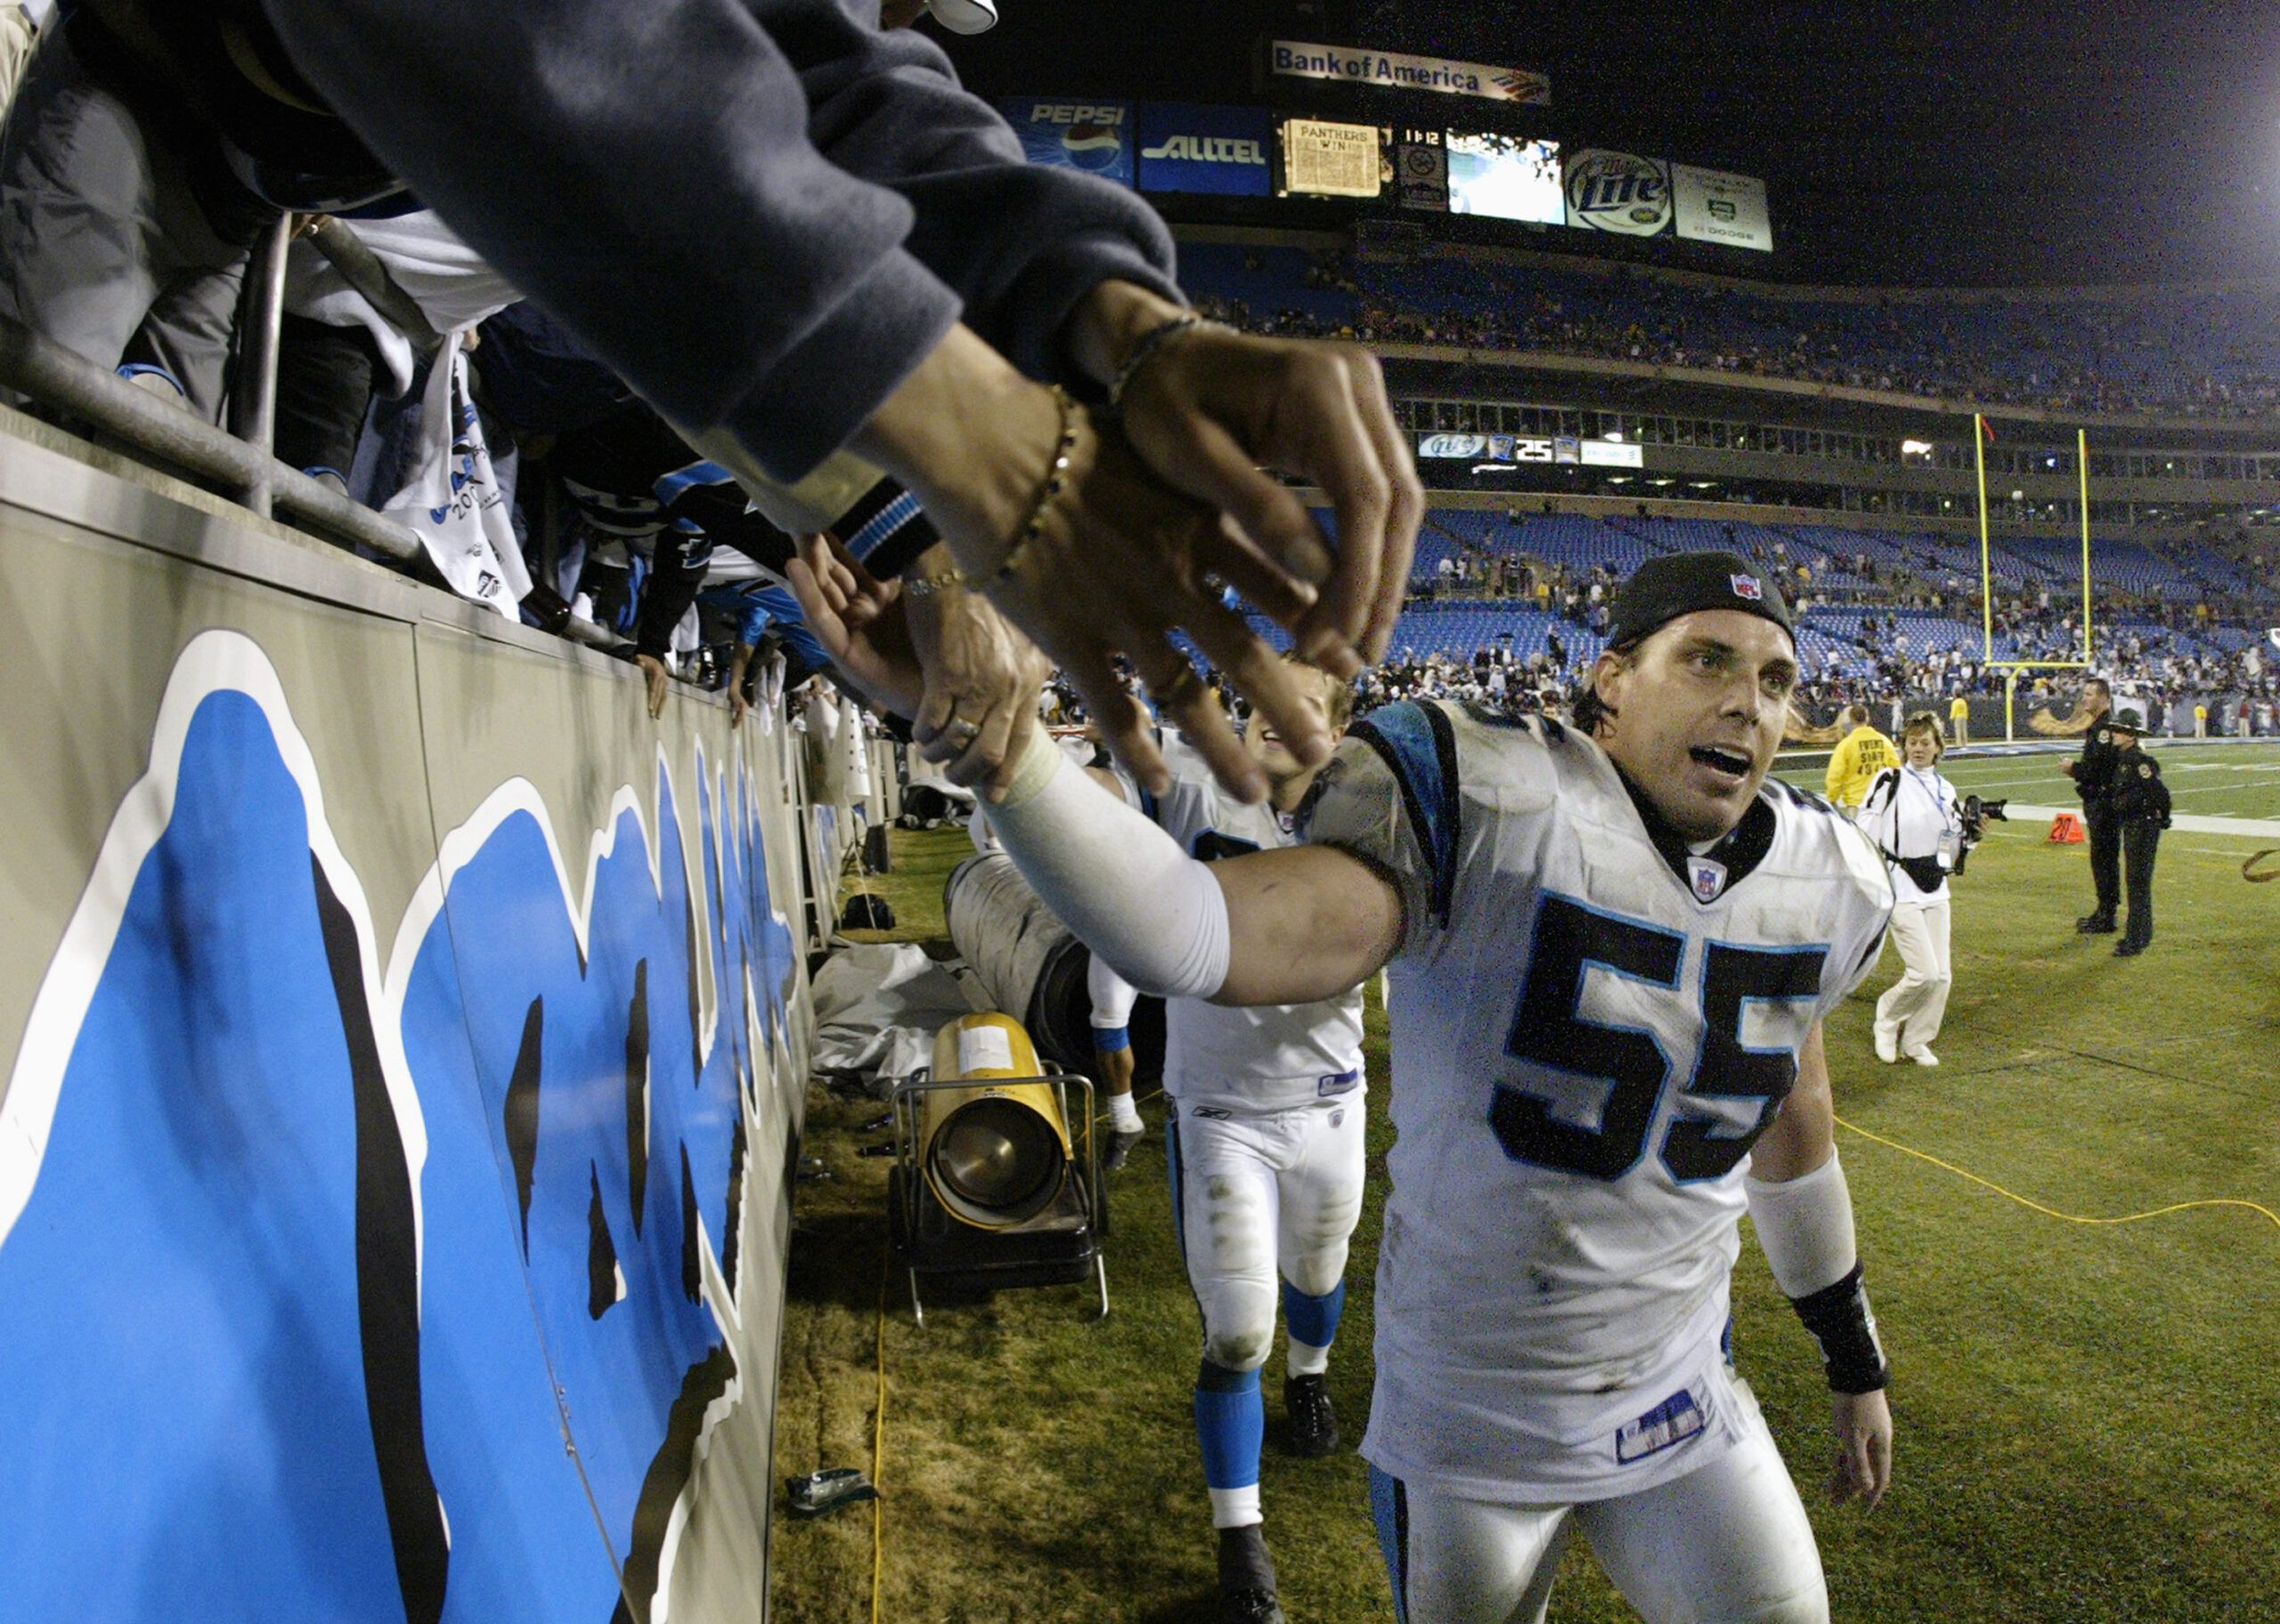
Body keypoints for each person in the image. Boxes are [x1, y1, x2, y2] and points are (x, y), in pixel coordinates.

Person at [831, 553, 1895, 1623]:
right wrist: (1006, 749)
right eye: (1706, 659)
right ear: (1611, 678)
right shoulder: (1501, 802)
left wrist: (1852, 1358)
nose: (1744, 703)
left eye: (1772, 679)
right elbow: (1198, 933)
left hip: (1683, 1407)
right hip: (1475, 1431)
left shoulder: (1819, 878)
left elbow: (1793, 1122)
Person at [1087, 662, 1365, 1624]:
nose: (1269, 722)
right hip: (1222, 1112)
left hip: (1331, 1102)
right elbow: (1108, 788)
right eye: (1256, 707)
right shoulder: (1196, 786)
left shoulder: (1371, 813)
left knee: (1320, 1280)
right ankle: (1239, 1537)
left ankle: (1313, 1377)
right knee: (1238, 1325)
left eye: (1298, 710)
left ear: (1340, 729)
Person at [1857, 717, 1963, 1067]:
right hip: (1899, 885)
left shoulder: (1946, 789)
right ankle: (1887, 1019)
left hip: (1935, 887)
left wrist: (1969, 838)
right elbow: (1865, 829)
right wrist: (1868, 881)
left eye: (1925, 742)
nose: (1918, 748)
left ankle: (1917, 1040)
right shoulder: (1890, 780)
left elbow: (1951, 844)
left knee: (1942, 977)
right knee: (1924, 973)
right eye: (1912, 742)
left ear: (1938, 747)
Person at [2104, 710, 2170, 956]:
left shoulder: (2139, 762)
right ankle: (2139, 935)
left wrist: (2163, 816)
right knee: (2135, 882)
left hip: (2143, 826)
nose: (2114, 734)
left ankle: (2136, 938)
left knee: (2138, 883)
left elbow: (2159, 792)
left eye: (2120, 730)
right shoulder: (2123, 759)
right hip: (2133, 825)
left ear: (2131, 735)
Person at [2060, 678, 2121, 933]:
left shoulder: (2105, 727)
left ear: (2104, 698)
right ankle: (2105, 911)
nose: (2084, 698)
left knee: (2104, 858)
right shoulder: (2099, 725)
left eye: (2089, 694)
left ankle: (2106, 915)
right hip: (2102, 800)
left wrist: (2073, 768)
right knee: (2104, 858)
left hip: (2104, 802)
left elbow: (2099, 769)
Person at [1823, 702, 1897, 809]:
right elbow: (1897, 770)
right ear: (1867, 718)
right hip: (1881, 802)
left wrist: (1832, 799)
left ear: (1851, 720)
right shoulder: (1884, 742)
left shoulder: (1846, 745)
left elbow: (1834, 776)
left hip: (1857, 803)